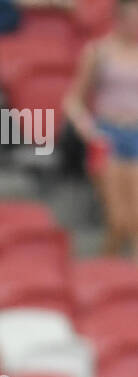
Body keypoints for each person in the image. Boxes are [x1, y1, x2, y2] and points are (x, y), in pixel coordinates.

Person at [65, 0, 138, 257]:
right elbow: (73, 100)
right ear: (120, 18)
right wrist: (88, 128)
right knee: (119, 219)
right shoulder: (98, 52)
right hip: (108, 134)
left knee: (136, 222)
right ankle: (107, 269)